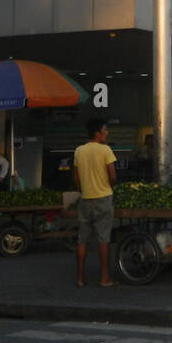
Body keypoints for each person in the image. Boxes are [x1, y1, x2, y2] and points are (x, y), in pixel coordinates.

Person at [73, 118, 118, 288]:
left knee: (82, 240)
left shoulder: (79, 151)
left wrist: (83, 189)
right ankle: (104, 277)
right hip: (103, 198)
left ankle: (80, 278)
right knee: (103, 239)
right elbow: (113, 176)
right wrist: (108, 187)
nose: (107, 133)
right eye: (105, 130)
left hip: (85, 199)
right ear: (97, 133)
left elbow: (75, 177)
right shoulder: (105, 150)